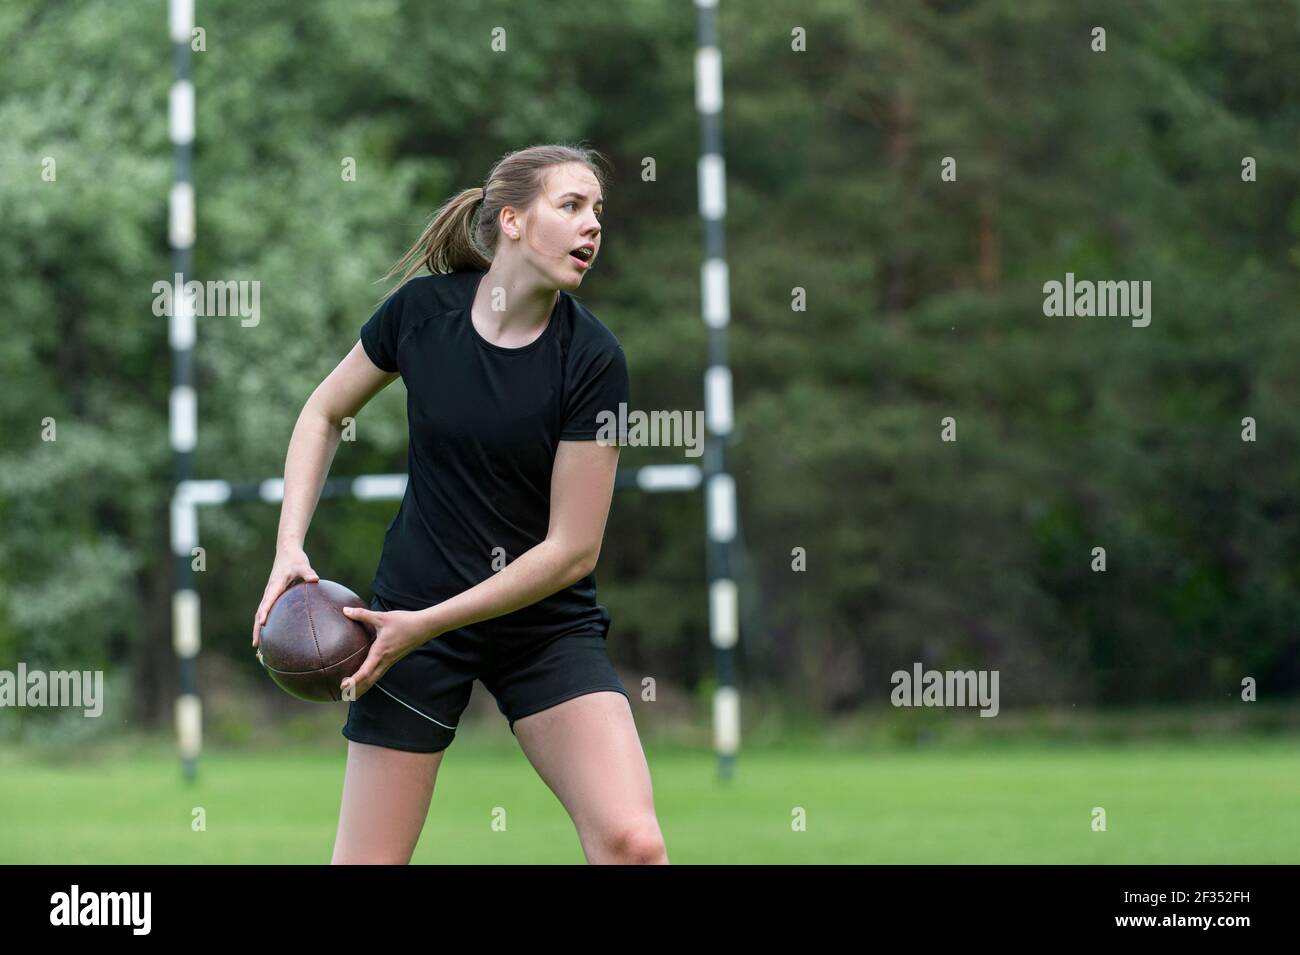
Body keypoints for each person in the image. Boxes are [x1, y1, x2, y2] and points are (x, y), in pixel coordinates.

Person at [251, 144, 668, 864]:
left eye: (598, 210)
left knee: (634, 843)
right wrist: (290, 548)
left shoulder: (594, 360)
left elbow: (574, 549)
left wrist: (427, 623)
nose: (593, 225)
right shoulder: (421, 315)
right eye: (571, 206)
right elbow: (322, 413)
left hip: (540, 628)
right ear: (511, 219)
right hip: (404, 622)